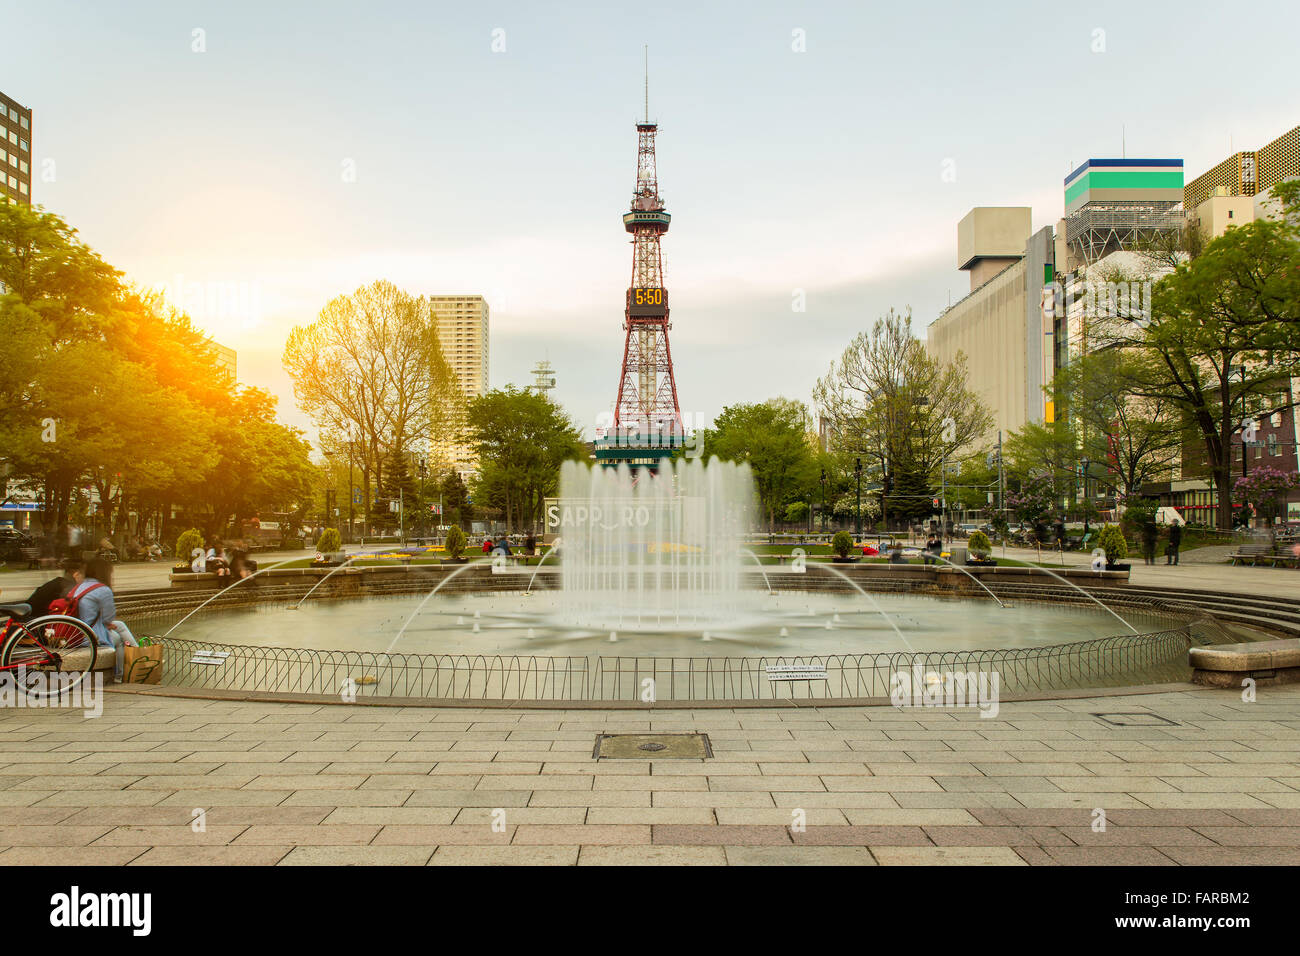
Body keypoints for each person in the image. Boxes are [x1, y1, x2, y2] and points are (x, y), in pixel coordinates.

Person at [69, 557, 138, 681]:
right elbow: (108, 617)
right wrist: (107, 624)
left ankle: (138, 653)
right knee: (118, 639)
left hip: (76, 630)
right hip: (88, 636)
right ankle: (119, 677)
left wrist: (107, 623)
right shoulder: (102, 589)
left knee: (120, 625)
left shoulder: (80, 586)